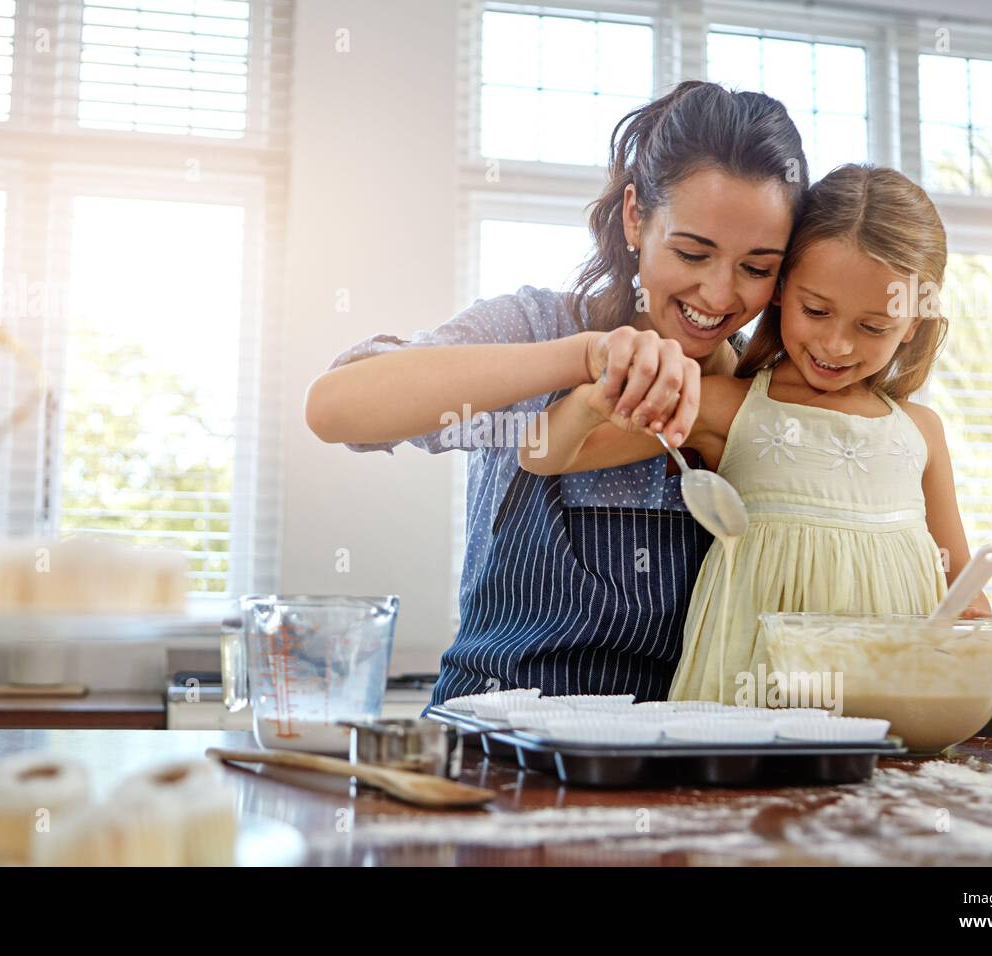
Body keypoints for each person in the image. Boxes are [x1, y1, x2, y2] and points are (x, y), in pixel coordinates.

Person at [306, 81, 807, 708]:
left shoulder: (762, 395)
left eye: (756, 268)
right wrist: (584, 355)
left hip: (679, 755)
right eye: (691, 252)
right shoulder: (537, 327)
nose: (718, 295)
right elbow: (336, 411)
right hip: (495, 749)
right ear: (635, 216)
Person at [523, 164, 992, 735]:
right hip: (750, 705)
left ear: (914, 325)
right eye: (815, 310)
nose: (835, 343)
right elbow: (544, 452)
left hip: (902, 715)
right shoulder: (729, 405)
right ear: (778, 294)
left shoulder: (921, 432)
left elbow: (961, 589)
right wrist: (600, 392)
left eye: (873, 326)